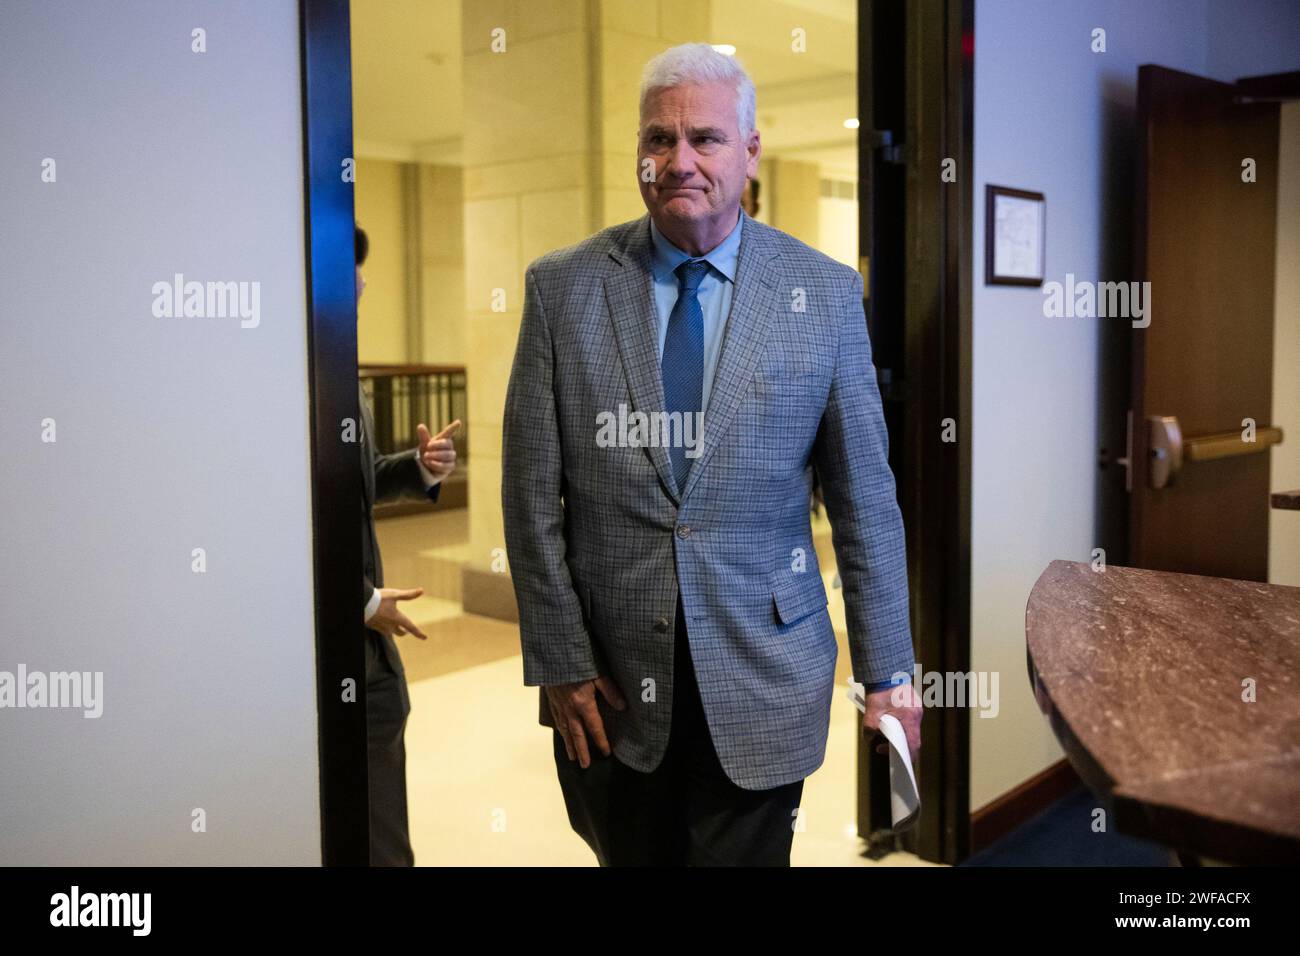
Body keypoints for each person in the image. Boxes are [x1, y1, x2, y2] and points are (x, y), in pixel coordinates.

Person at [502, 43, 921, 867]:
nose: (679, 161)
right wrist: (560, 658)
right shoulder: (564, 287)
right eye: (659, 141)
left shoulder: (824, 292)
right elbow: (528, 495)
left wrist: (890, 671)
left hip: (767, 671)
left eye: (705, 138)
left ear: (751, 151)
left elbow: (864, 499)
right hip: (610, 683)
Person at [354, 224, 460, 866]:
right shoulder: (292, 377)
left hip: (371, 667)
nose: (363, 281)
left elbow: (354, 482)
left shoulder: (342, 370)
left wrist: (419, 467)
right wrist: (363, 602)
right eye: (351, 267)